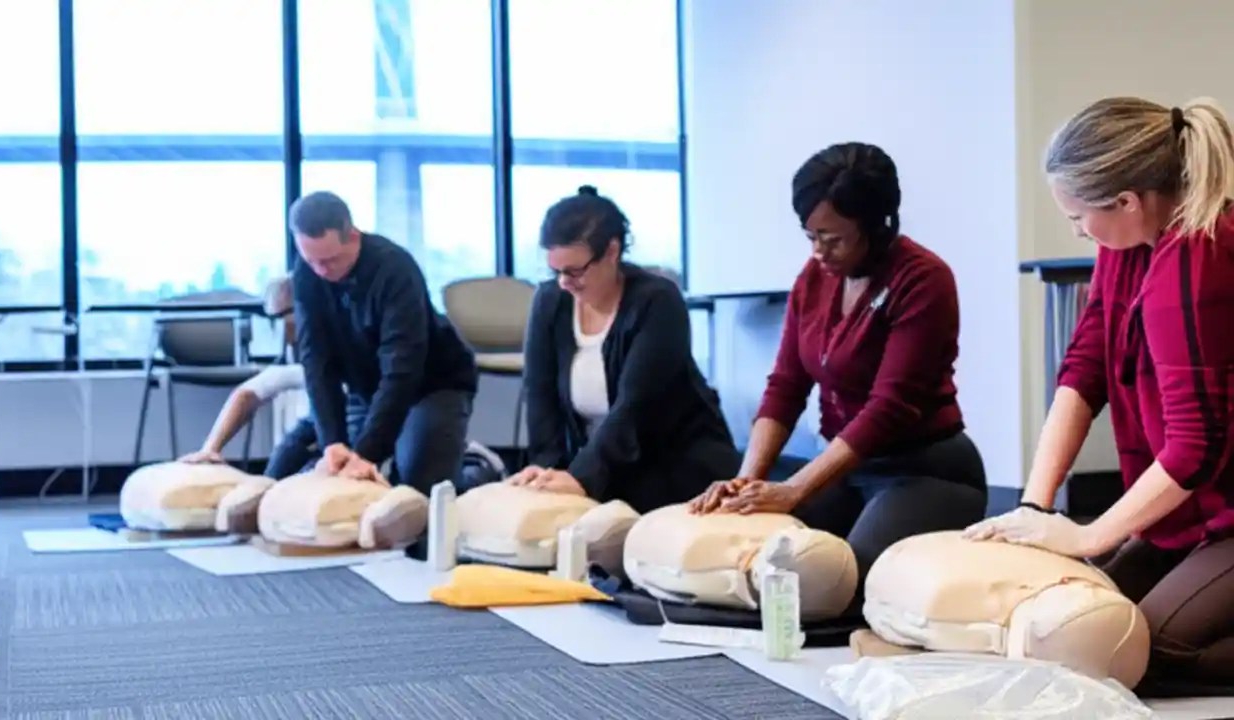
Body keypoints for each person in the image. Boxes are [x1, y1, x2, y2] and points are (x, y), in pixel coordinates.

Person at [964, 96, 1234, 692]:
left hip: (1222, 502)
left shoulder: (1198, 257)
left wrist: (1089, 536)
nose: (1078, 230)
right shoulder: (1126, 248)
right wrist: (1034, 508)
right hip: (1197, 509)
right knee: (1080, 627)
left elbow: (1197, 447)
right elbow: (1084, 369)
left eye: (1078, 217)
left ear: (1128, 202)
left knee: (1143, 652)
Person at [689, 142, 987, 612]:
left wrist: (796, 489)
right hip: (843, 471)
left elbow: (888, 409)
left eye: (834, 239)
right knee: (761, 564)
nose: (819, 252)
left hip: (923, 470)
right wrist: (747, 481)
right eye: (810, 237)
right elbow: (785, 386)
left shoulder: (924, 279)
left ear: (877, 227)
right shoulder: (815, 277)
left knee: (840, 585)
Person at [507, 185, 741, 512]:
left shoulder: (657, 301)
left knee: (608, 526)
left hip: (674, 463)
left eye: (575, 271)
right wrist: (548, 472)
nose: (564, 282)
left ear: (612, 252)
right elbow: (540, 397)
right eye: (556, 271)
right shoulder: (550, 301)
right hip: (604, 463)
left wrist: (580, 478)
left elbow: (635, 407)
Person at [289, 190, 478, 494]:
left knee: (416, 486)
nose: (322, 271)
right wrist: (333, 443)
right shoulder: (307, 274)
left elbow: (402, 369)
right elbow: (316, 362)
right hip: (365, 390)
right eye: (313, 261)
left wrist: (366, 454)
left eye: (331, 260)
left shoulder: (395, 268)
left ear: (353, 236)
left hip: (432, 384)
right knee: (291, 467)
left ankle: (475, 471)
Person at [178, 275, 318, 479]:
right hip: (316, 420)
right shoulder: (291, 351)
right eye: (271, 320)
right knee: (277, 470)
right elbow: (247, 394)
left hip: (356, 417)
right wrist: (210, 449)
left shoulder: (331, 336)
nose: (277, 328)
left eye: (280, 317)